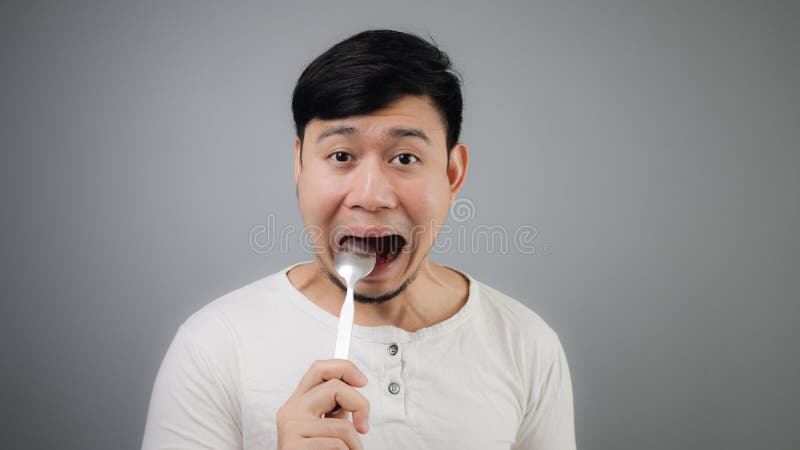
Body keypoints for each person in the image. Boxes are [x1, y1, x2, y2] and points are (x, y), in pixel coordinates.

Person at [142, 29, 576, 450]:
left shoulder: (526, 344)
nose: (370, 196)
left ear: (452, 174)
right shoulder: (214, 345)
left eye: (405, 157)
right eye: (341, 156)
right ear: (299, 166)